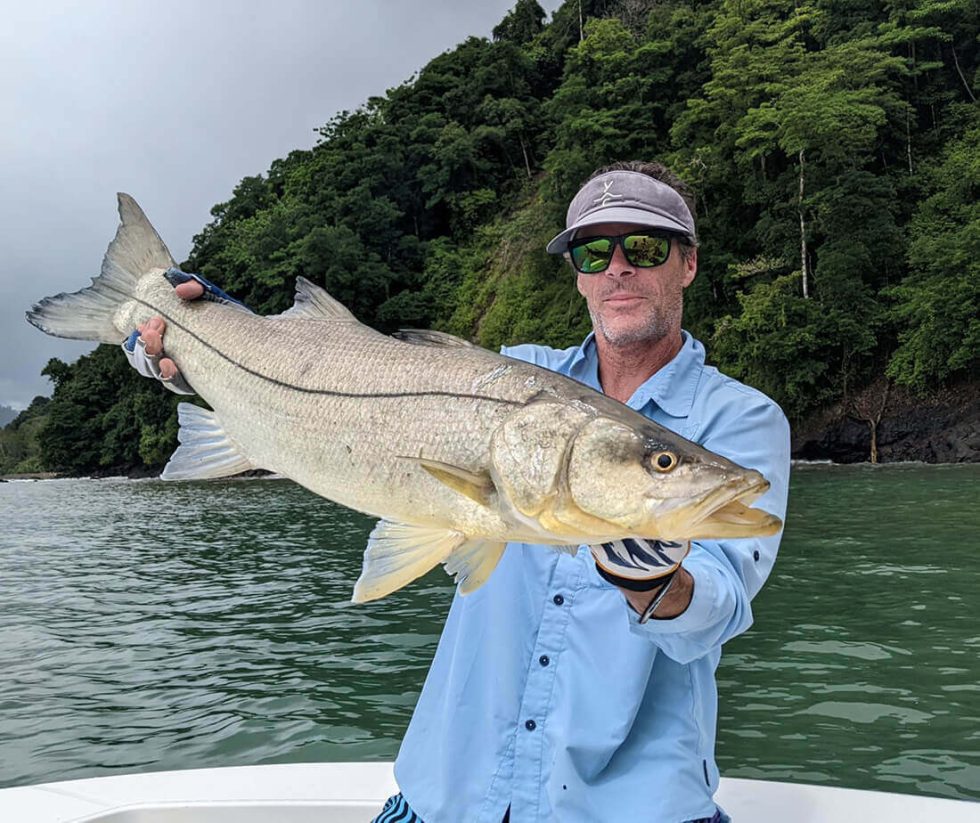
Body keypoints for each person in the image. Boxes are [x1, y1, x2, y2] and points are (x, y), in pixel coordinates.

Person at [127, 161, 790, 823]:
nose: (618, 267)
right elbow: (345, 390)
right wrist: (193, 353)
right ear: (580, 274)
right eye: (594, 250)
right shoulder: (510, 374)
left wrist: (655, 584)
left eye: (644, 247)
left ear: (688, 263)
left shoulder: (742, 421)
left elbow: (721, 604)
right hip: (447, 796)